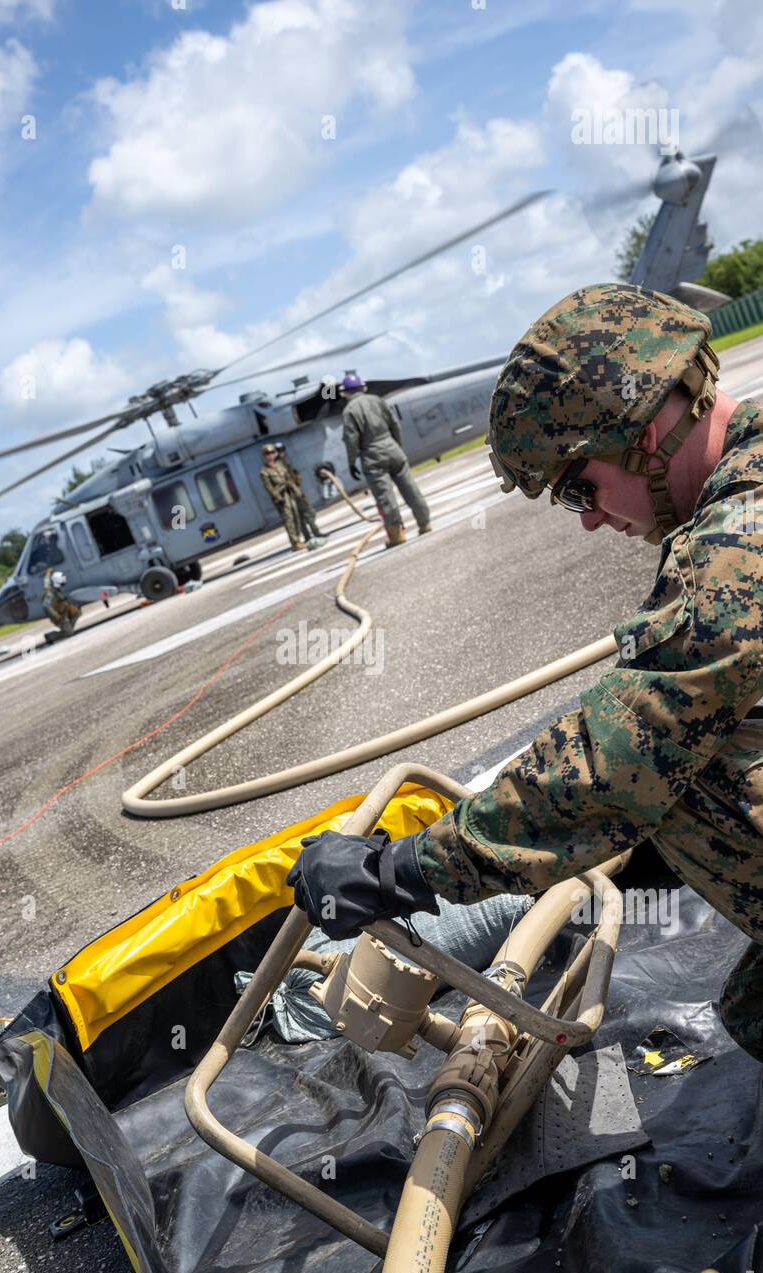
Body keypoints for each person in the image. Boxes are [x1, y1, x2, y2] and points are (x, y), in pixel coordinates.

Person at [288, 282, 763, 1066]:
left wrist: (396, 869)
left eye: (579, 487)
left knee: (672, 773)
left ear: (644, 431)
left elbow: (612, 759)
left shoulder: (737, 541)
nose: (589, 518)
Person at [340, 371, 431, 547]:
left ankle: (396, 535)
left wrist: (351, 461)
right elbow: (394, 424)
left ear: (346, 393)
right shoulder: (377, 400)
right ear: (362, 388)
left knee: (385, 497)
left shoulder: (349, 411)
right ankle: (425, 523)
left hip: (372, 456)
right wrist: (396, 446)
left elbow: (351, 439)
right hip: (392, 447)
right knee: (411, 489)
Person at [274, 441, 327, 549]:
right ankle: (315, 532)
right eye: (280, 451)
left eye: (282, 450)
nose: (283, 453)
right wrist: (299, 492)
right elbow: (288, 482)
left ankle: (308, 536)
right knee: (309, 512)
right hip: (294, 494)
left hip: (292, 494)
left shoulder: (282, 464)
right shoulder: (279, 466)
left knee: (300, 516)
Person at [259, 442, 307, 552]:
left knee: (295, 516)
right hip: (281, 497)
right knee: (288, 519)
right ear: (265, 456)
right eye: (267, 454)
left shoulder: (280, 466)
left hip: (289, 494)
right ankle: (295, 543)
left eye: (272, 453)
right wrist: (278, 498)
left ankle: (298, 540)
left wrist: (299, 493)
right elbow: (269, 488)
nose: (270, 455)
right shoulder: (264, 471)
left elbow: (289, 481)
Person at [42, 568, 80, 634]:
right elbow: (46, 606)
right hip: (58, 616)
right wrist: (57, 616)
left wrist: (48, 574)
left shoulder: (57, 589)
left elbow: (47, 584)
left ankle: (67, 628)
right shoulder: (50, 594)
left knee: (77, 612)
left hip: (63, 611)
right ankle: (51, 635)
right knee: (69, 633)